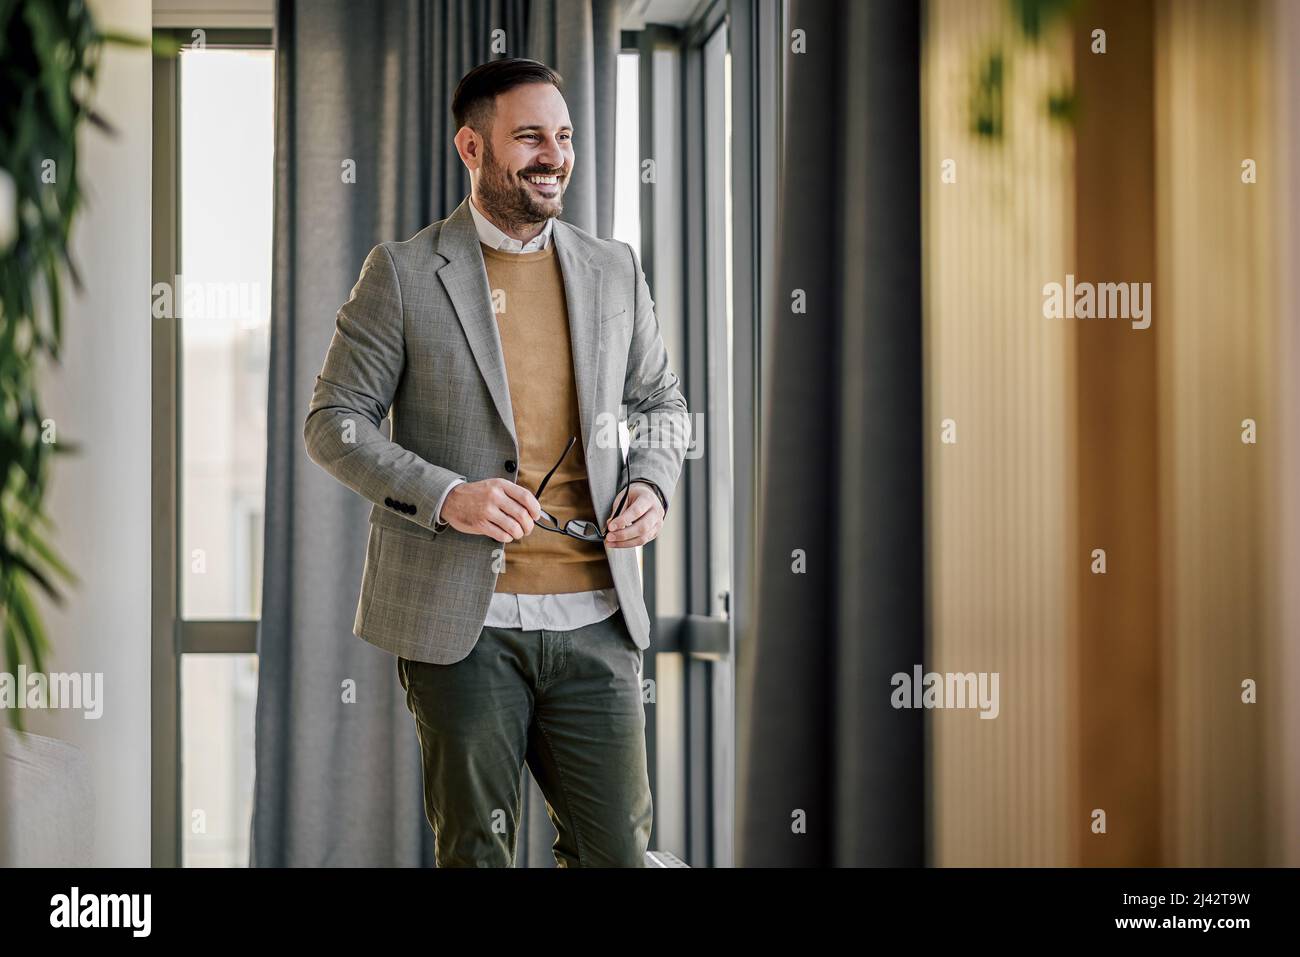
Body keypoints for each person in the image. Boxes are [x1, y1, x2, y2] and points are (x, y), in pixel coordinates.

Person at [303, 57, 690, 867]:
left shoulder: (613, 267)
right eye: (529, 137)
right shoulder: (403, 273)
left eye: (565, 136)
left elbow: (662, 401)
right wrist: (448, 496)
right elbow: (333, 422)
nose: (554, 155)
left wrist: (652, 482)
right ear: (472, 148)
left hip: (598, 620)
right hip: (463, 629)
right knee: (477, 853)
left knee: (617, 852)